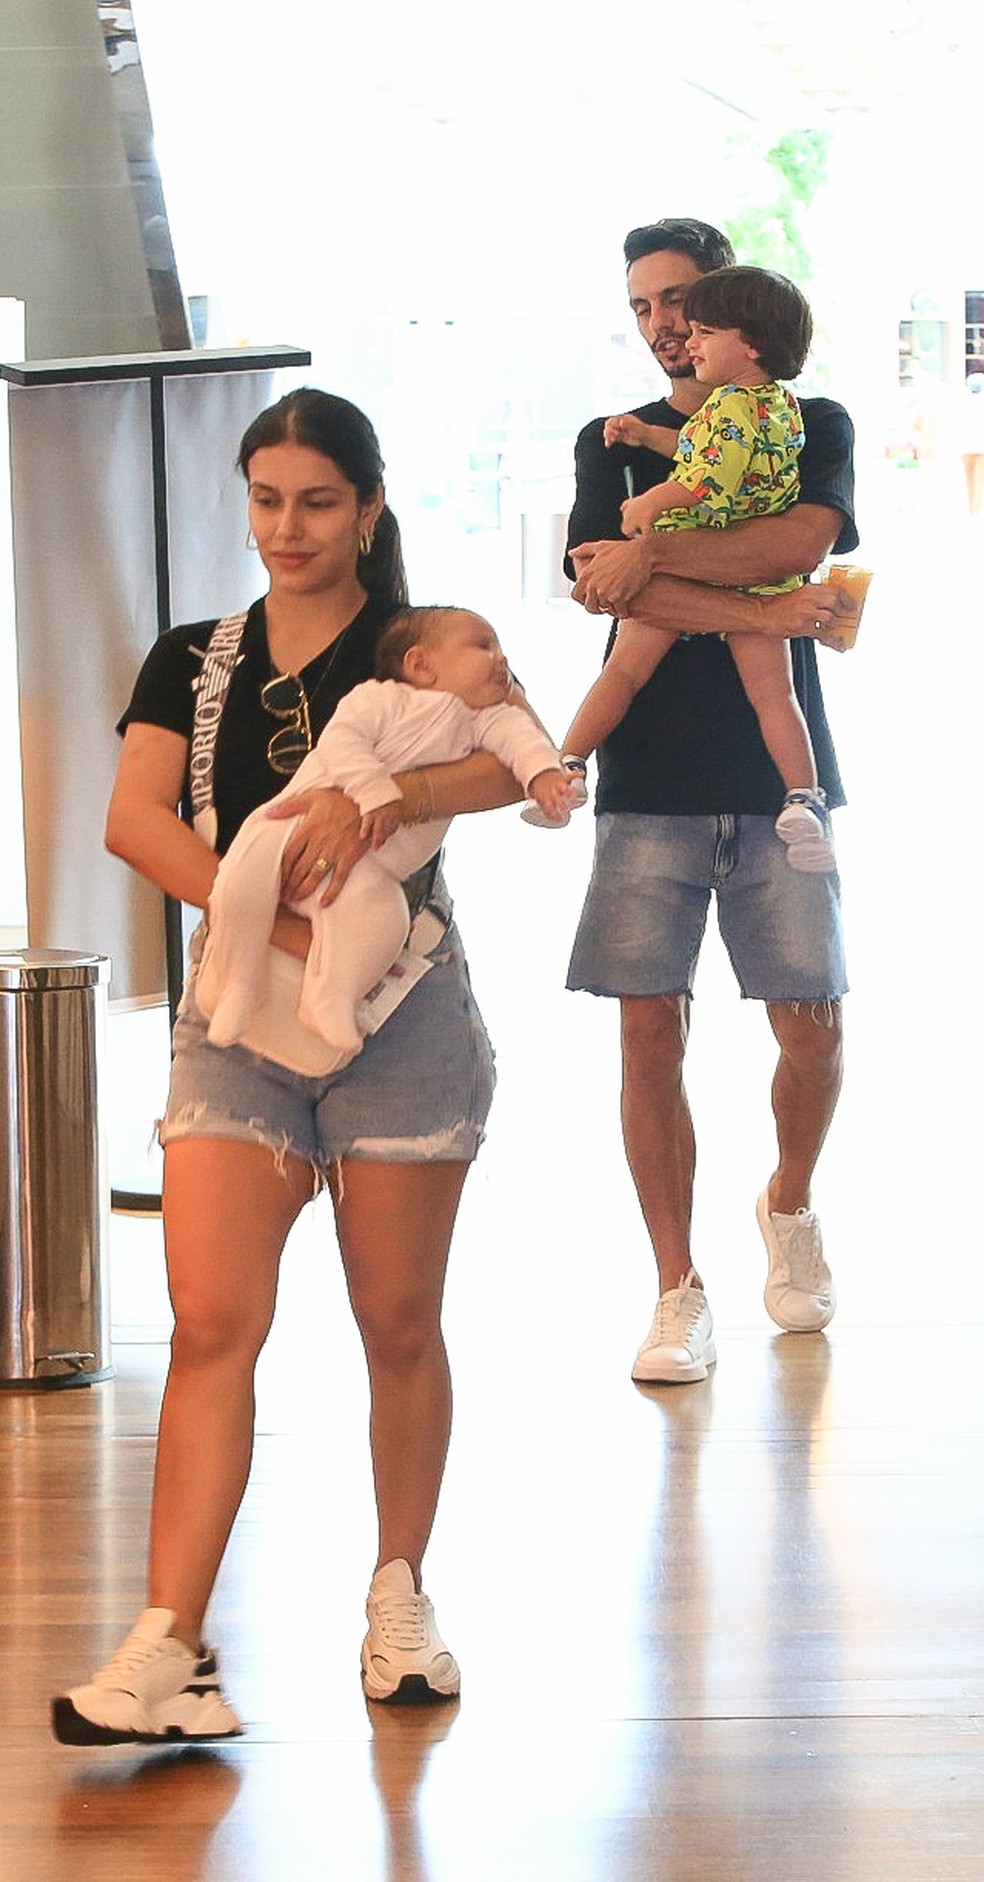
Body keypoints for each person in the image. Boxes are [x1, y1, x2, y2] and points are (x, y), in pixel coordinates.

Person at [52, 388, 528, 1746]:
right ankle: (171, 1649)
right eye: (266, 499)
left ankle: (400, 1593)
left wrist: (388, 796)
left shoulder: (431, 647)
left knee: (396, 1322)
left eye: (318, 501)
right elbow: (132, 817)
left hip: (404, 1020)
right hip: (238, 1019)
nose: (288, 527)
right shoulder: (195, 658)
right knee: (209, 1318)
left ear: (370, 510)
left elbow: (522, 761)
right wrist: (264, 907)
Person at [564, 219, 859, 1386]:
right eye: (641, 306)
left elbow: (801, 539)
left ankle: (788, 1201)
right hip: (646, 778)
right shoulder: (612, 440)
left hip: (780, 772)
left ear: (731, 306)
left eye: (680, 299)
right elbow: (598, 581)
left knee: (812, 1019)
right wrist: (746, 599)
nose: (662, 324)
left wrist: (663, 572)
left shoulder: (805, 417)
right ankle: (675, 1286)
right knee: (646, 1027)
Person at [199, 604, 572, 1061]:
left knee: (384, 922)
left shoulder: (489, 722)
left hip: (373, 868)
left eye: (500, 647)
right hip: (290, 825)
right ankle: (238, 979)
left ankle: (332, 995)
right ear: (420, 664)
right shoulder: (379, 700)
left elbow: (527, 745)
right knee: (240, 881)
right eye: (483, 645)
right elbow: (341, 742)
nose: (500, 658)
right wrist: (375, 793)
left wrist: (545, 777)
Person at [554, 265, 833, 874]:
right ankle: (803, 798)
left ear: (751, 342)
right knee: (775, 694)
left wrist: (652, 507)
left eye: (700, 323)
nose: (685, 336)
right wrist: (647, 435)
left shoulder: (735, 405)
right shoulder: (776, 405)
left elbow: (710, 475)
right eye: (642, 306)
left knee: (624, 670)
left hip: (692, 571)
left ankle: (569, 763)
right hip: (758, 583)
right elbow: (698, 448)